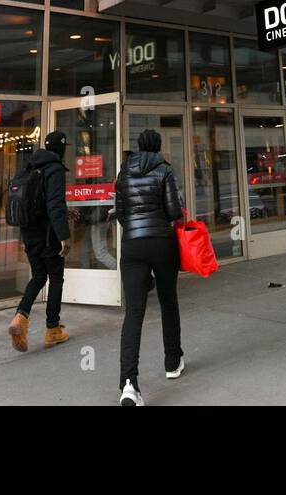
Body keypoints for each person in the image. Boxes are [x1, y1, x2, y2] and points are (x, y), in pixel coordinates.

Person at [114, 129, 184, 406]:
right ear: (157, 147)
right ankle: (172, 362)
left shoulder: (123, 173)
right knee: (168, 301)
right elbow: (174, 212)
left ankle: (129, 384)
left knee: (134, 313)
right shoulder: (164, 170)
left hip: (132, 246)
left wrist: (134, 227)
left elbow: (120, 212)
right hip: (161, 243)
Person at [8, 131, 72, 352]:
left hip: (30, 234)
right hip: (48, 236)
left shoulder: (29, 167)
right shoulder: (54, 170)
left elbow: (28, 204)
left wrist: (23, 238)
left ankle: (20, 317)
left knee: (38, 276)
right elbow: (54, 205)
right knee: (55, 278)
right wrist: (64, 236)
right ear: (61, 148)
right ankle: (53, 329)